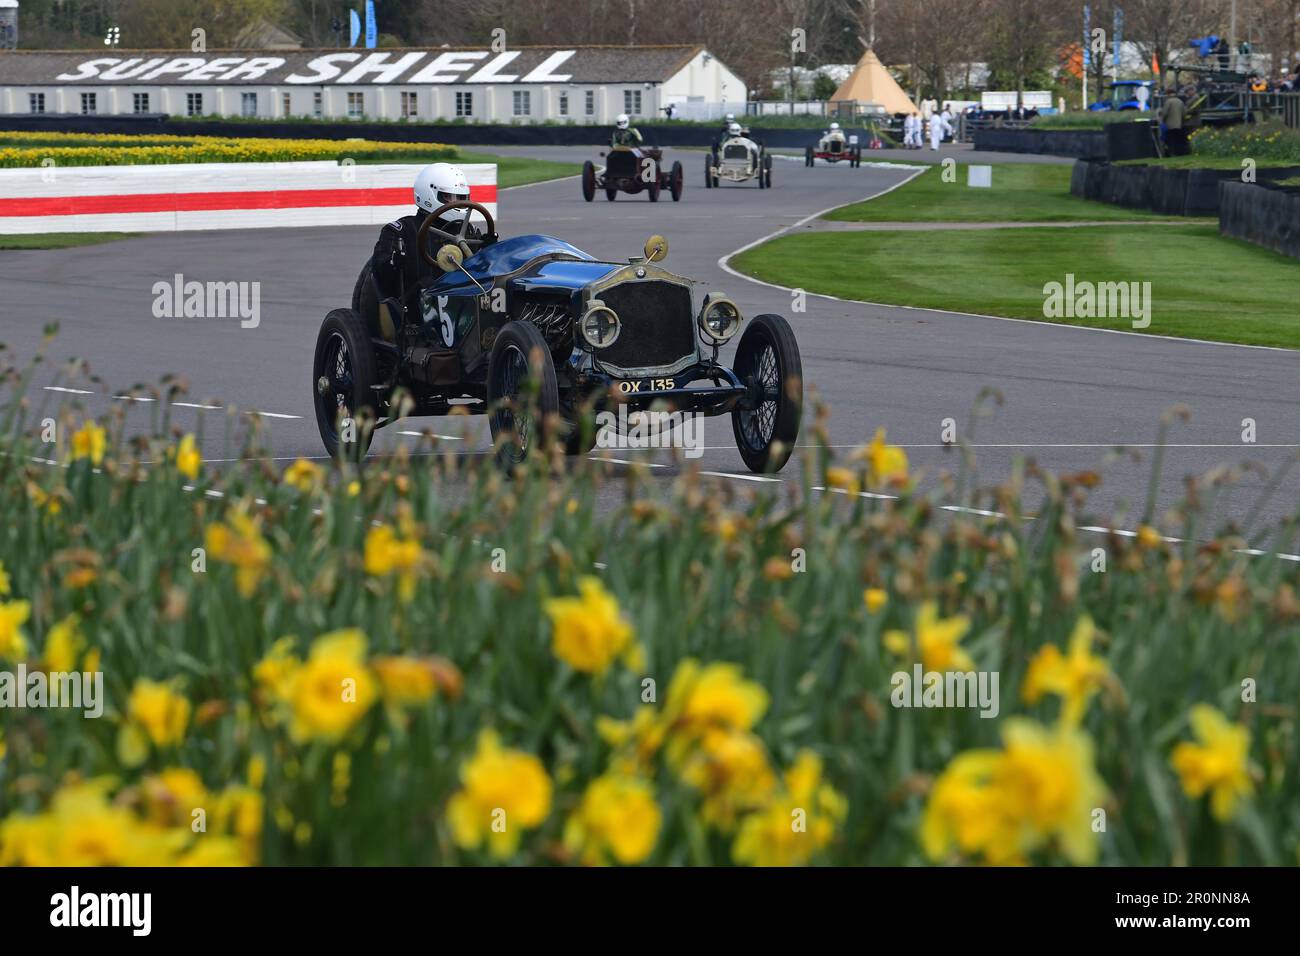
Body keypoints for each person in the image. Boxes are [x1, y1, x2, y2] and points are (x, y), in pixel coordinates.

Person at [370, 162, 490, 307]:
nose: (458, 203)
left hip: (464, 300)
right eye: (450, 197)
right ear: (429, 195)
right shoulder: (401, 230)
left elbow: (483, 271)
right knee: (427, 284)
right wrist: (393, 261)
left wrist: (489, 249)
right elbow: (380, 276)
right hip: (416, 307)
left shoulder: (469, 231)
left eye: (462, 198)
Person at [1158, 87, 1188, 156]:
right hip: (1179, 124)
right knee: (1178, 140)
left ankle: (1172, 153)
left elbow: (1164, 113)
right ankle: (1180, 153)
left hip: (1170, 125)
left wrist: (1162, 120)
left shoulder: (1168, 102)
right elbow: (1184, 113)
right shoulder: (1180, 101)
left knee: (1171, 140)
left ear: (1168, 94)